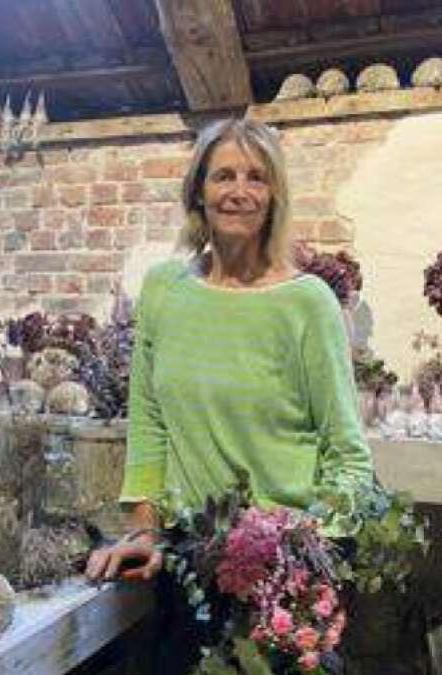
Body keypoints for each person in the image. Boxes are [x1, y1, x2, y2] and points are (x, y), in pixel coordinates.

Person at [86, 118, 374, 584]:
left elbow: (347, 452)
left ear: (274, 196)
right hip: (187, 557)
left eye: (256, 177)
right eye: (223, 176)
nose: (239, 191)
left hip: (284, 562)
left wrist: (310, 551)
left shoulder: (308, 302)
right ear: (198, 190)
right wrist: (144, 531)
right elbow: (149, 422)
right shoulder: (164, 289)